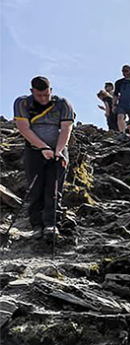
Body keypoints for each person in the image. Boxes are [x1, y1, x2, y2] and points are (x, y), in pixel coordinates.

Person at [13, 76, 75, 239]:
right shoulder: (22, 103)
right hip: (34, 150)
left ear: (51, 91)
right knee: (36, 188)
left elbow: (66, 129)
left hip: (58, 150)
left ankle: (51, 223)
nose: (43, 99)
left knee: (54, 188)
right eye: (39, 95)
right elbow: (24, 128)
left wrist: (59, 150)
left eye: (46, 95)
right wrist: (43, 148)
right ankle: (36, 225)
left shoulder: (63, 104)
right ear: (32, 92)